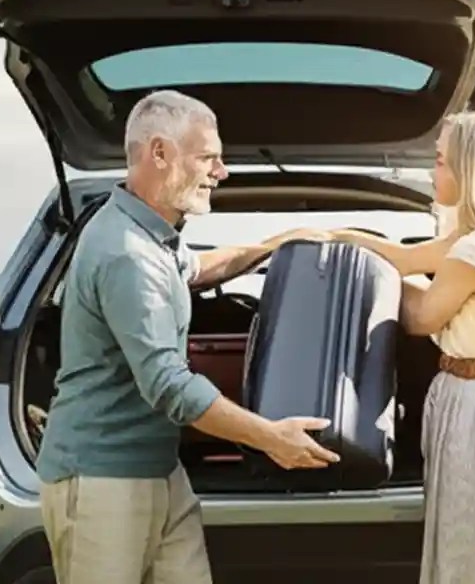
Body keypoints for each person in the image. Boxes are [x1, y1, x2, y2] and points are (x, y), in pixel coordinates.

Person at [34, 90, 340, 584]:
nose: (221, 172)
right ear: (160, 153)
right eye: (209, 158)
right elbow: (169, 385)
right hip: (100, 483)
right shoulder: (126, 255)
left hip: (160, 471)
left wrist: (273, 246)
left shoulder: (152, 235)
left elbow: (196, 268)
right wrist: (269, 437)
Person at [312, 111, 475, 583]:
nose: (432, 171)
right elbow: (403, 257)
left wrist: (380, 277)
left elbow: (421, 318)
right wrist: (333, 237)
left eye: (441, 161)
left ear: (470, 171)